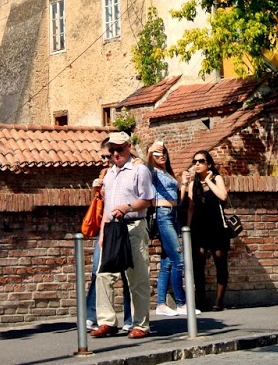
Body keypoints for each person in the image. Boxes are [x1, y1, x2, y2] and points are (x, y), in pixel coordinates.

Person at [90, 131, 155, 338]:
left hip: (134, 225)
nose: (115, 153)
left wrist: (127, 207)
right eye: (112, 150)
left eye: (119, 149)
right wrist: (102, 233)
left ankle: (140, 324)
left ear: (128, 146)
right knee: (103, 275)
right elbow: (107, 205)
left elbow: (148, 200)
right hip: (111, 228)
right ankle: (107, 321)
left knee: (136, 278)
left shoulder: (139, 170)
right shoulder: (110, 173)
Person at [84, 146, 131, 331]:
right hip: (107, 226)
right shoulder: (105, 173)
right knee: (98, 271)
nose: (106, 159)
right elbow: (99, 205)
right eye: (103, 156)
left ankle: (130, 319)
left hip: (126, 224)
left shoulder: (128, 170)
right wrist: (97, 190)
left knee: (128, 274)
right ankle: (93, 315)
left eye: (108, 155)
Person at [180, 150, 230, 311]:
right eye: (195, 161)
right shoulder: (193, 183)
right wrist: (187, 229)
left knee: (220, 261)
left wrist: (209, 182)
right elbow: (190, 208)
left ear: (209, 164)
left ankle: (219, 301)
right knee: (198, 264)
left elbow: (223, 196)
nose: (197, 164)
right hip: (199, 227)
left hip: (216, 226)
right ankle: (200, 301)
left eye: (201, 161)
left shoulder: (216, 178)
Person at [147, 139, 186, 316]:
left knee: (168, 261)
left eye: (163, 152)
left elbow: (179, 199)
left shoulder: (167, 172)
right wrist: (150, 152)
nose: (160, 155)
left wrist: (183, 184)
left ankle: (161, 304)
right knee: (178, 259)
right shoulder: (152, 171)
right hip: (162, 213)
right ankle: (181, 303)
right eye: (157, 153)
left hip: (174, 212)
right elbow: (145, 168)